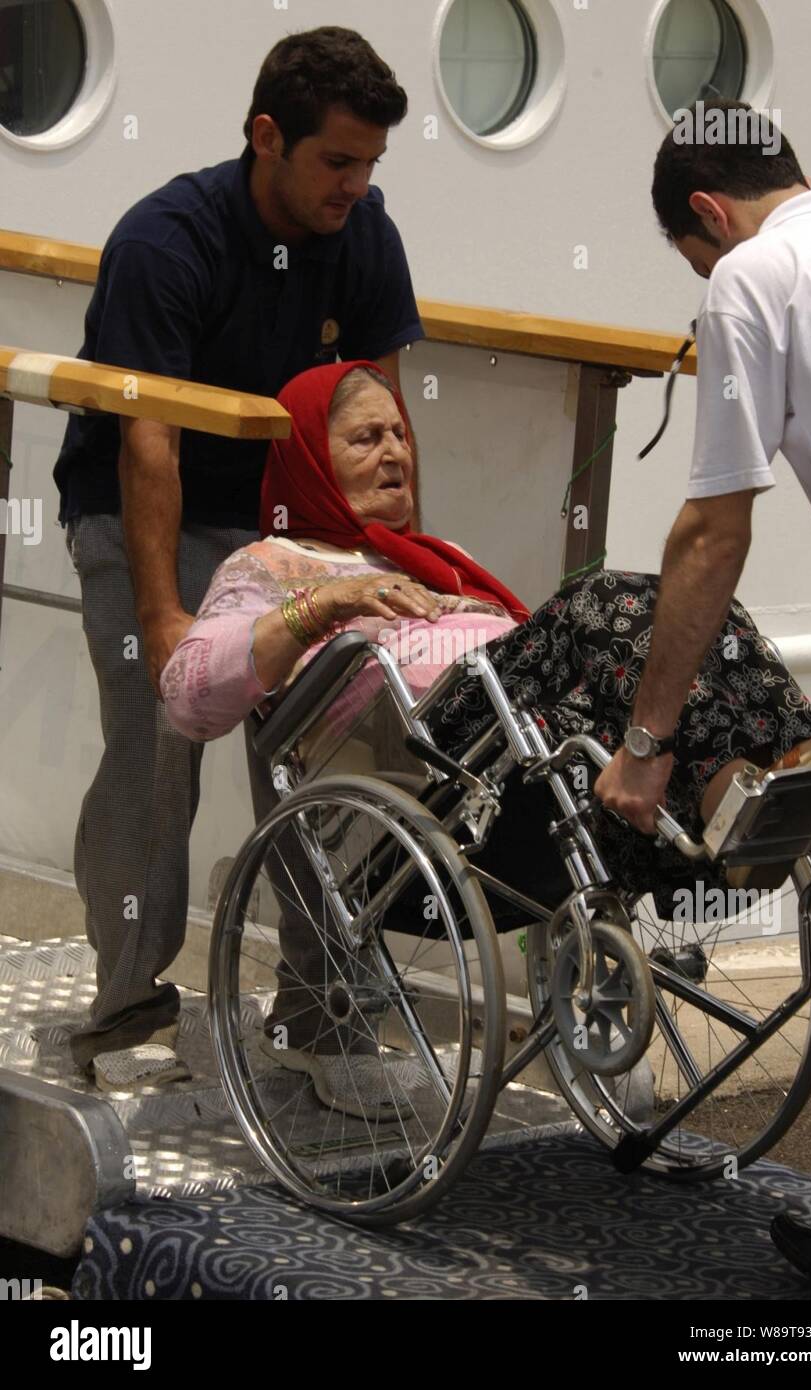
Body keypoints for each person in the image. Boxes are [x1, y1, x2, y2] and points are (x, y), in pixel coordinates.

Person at [160, 360, 811, 1115]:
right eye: (363, 438)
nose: (394, 451)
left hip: (525, 760)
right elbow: (188, 699)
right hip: (434, 778)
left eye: (398, 432)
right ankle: (734, 800)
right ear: (310, 463)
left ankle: (785, 775)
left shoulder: (437, 557)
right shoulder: (266, 566)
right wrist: (325, 603)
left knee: (690, 608)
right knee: (605, 600)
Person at [54, 27, 424, 1091]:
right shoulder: (164, 242)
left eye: (369, 165)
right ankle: (123, 1010)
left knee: (327, 745)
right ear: (267, 136)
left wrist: (394, 563)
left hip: (281, 530)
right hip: (141, 519)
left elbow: (378, 413)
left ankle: (322, 1015)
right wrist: (167, 617)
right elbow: (148, 442)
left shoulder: (361, 232)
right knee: (156, 749)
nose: (354, 186)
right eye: (335, 162)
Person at [593, 98, 811, 1284]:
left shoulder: (749, 277)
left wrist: (645, 740)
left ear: (706, 213)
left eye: (691, 257)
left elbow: (710, 529)